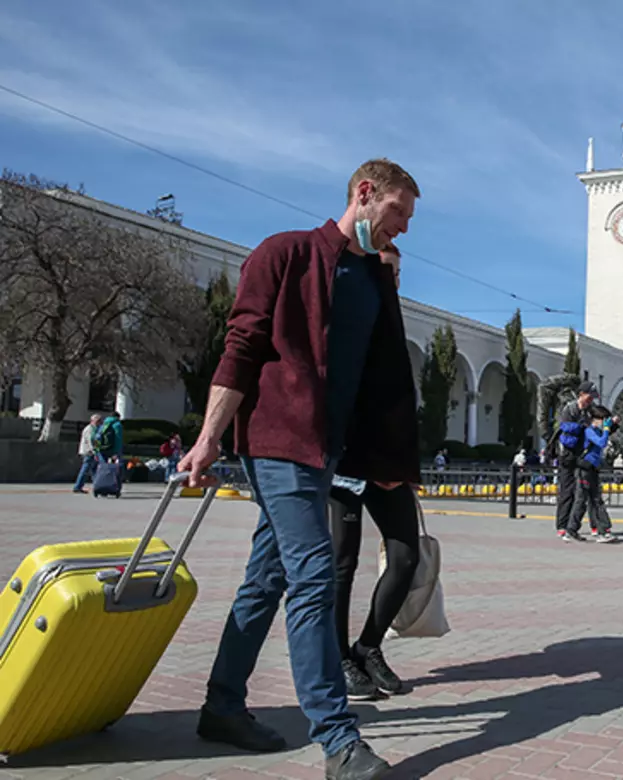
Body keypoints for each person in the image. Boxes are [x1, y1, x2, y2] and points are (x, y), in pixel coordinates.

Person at [177, 158, 423, 780]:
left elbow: (383, 379)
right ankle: (339, 741)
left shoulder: (374, 281)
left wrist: (388, 458)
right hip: (277, 441)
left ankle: (222, 707)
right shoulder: (284, 254)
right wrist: (207, 439)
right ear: (364, 195)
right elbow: (241, 349)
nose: (402, 229)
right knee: (315, 575)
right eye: (397, 213)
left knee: (267, 580)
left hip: (330, 453)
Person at [328, 479, 420, 700]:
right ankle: (338, 659)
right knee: (343, 563)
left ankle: (366, 647)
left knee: (405, 558)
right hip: (345, 469)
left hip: (389, 467)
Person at [566, 405, 620, 543]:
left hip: (592, 469)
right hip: (584, 469)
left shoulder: (596, 430)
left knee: (595, 500)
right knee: (582, 501)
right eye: (604, 420)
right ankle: (573, 530)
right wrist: (607, 429)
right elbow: (602, 442)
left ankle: (601, 530)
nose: (605, 423)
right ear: (596, 419)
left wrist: (612, 425)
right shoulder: (589, 431)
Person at [553, 380, 599, 539]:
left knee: (582, 492)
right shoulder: (570, 409)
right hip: (567, 455)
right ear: (581, 394)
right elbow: (564, 426)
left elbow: (598, 424)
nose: (590, 400)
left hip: (582, 456)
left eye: (593, 397)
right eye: (589, 396)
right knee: (567, 490)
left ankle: (585, 526)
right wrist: (581, 426)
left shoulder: (590, 411)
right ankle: (562, 525)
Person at [72, 413, 104, 493]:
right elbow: (90, 441)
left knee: (94, 470)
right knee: (85, 470)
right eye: (98, 421)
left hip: (90, 451)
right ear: (93, 421)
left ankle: (98, 486)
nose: (100, 423)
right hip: (88, 452)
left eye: (100, 421)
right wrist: (94, 452)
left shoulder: (94, 429)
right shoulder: (89, 429)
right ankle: (78, 486)